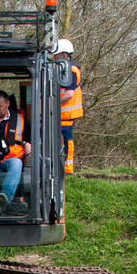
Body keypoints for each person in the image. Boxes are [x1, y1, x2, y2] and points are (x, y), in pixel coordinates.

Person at [54, 38, 82, 175]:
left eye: (56, 55)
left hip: (65, 115)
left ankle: (67, 168)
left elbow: (69, 94)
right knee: (62, 141)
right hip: (61, 115)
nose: (54, 58)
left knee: (66, 140)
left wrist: (53, 104)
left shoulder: (70, 70)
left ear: (65, 55)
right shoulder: (65, 70)